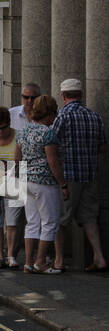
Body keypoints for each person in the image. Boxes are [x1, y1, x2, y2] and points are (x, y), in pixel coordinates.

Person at [53, 79, 107, 272]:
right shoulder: (95, 117)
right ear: (80, 95)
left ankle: (58, 261)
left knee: (60, 219)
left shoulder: (62, 116)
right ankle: (99, 257)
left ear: (63, 96)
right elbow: (102, 146)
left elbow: (52, 144)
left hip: (69, 176)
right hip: (90, 175)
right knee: (90, 218)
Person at [15, 94, 65, 274]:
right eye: (55, 112)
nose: (56, 116)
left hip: (27, 181)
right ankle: (40, 262)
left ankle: (28, 263)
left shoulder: (23, 132)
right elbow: (53, 162)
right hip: (45, 182)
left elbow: (17, 159)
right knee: (50, 222)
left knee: (32, 223)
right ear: (49, 113)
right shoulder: (48, 133)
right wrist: (63, 184)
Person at [0, 106, 23, 269]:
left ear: (9, 123)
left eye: (3, 128)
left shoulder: (18, 136)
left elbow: (22, 162)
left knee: (12, 222)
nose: (0, 132)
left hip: (14, 183)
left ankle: (11, 256)